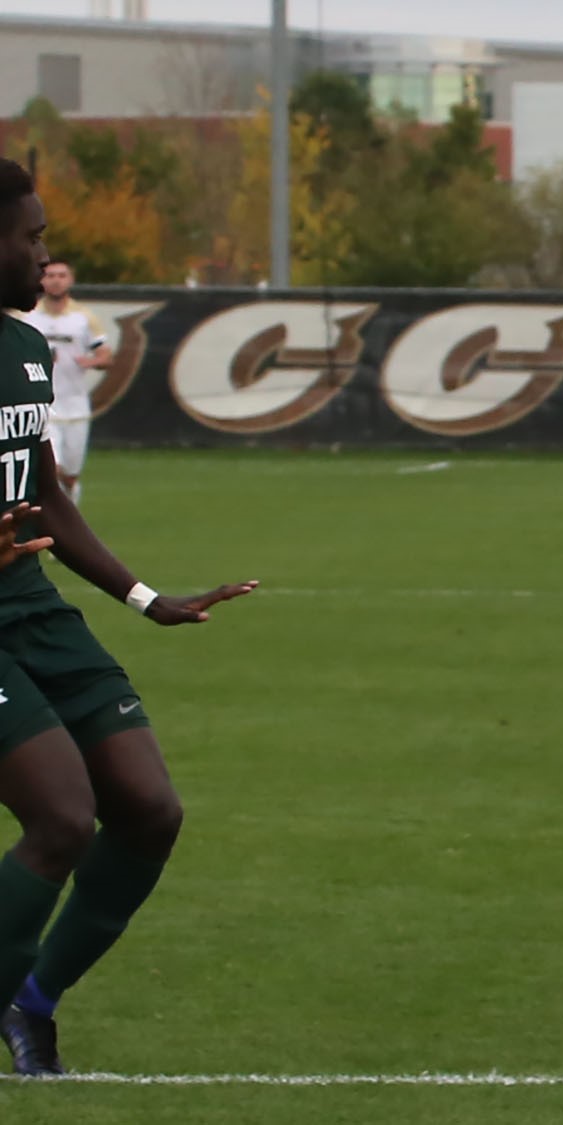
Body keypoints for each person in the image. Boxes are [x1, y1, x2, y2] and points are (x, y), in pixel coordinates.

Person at [0, 157, 258, 1075]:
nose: (44, 252)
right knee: (62, 817)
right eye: (29, 236)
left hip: (30, 607)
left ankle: (34, 1002)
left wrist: (145, 597)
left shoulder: (27, 351)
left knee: (149, 809)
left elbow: (44, 501)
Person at [17, 259, 109, 505]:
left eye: (61, 275)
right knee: (51, 468)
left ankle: (70, 512)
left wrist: (91, 362)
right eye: (50, 275)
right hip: (44, 407)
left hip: (76, 405)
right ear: (41, 280)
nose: (55, 280)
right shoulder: (28, 317)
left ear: (70, 280)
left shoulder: (83, 318)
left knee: (70, 475)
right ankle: (52, 518)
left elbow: (105, 357)